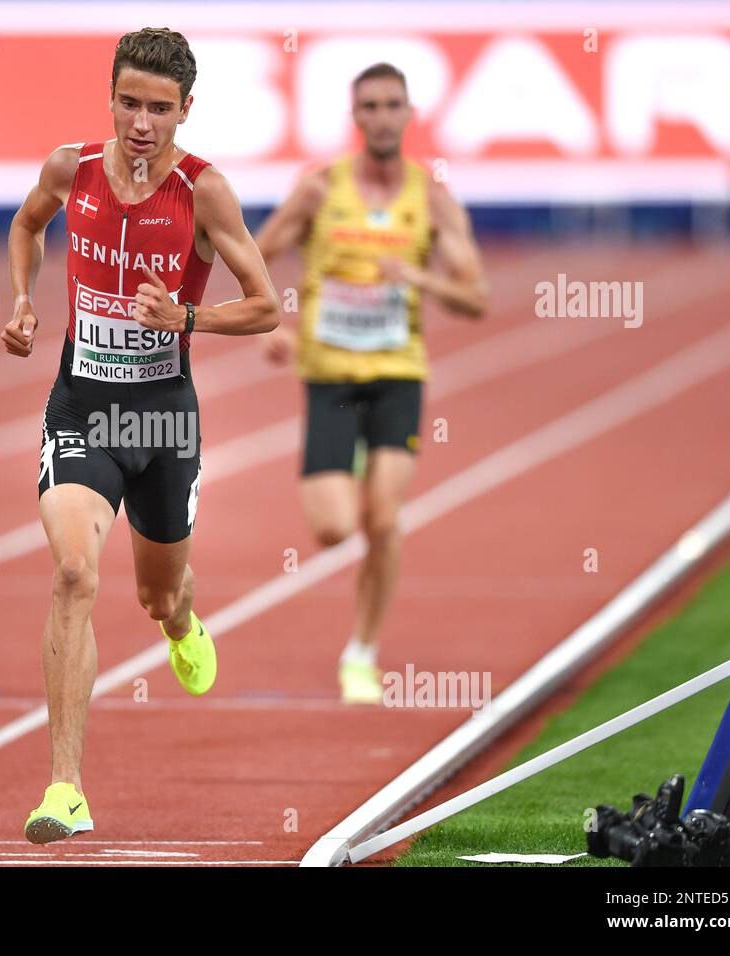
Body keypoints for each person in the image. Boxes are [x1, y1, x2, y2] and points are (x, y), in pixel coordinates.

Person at [1, 27, 280, 842]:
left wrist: (189, 316)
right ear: (111, 99)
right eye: (129, 102)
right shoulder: (71, 169)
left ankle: (183, 623)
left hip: (161, 416)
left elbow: (265, 302)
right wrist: (22, 301)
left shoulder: (206, 194)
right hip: (81, 409)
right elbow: (26, 228)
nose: (141, 123)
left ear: (185, 110)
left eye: (160, 108)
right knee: (74, 574)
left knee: (159, 593)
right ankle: (65, 789)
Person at [254, 62, 488, 704]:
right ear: (355, 118)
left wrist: (419, 280)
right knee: (333, 529)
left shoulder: (432, 198)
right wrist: (265, 325)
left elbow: (476, 297)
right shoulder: (319, 191)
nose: (383, 117)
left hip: (397, 375)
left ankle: (361, 651)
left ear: (410, 114)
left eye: (393, 105)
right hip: (328, 375)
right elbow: (256, 252)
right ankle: (354, 486)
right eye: (371, 107)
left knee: (382, 519)